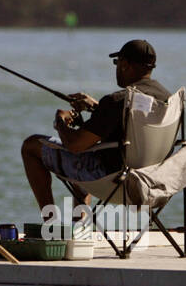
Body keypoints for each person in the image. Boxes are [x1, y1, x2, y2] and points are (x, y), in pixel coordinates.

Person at [20, 38, 168, 212]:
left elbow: (75, 145)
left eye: (117, 62)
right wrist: (98, 108)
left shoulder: (117, 101)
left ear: (125, 64)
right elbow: (133, 122)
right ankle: (79, 224)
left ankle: (50, 222)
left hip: (113, 180)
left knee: (31, 146)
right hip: (152, 180)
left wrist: (60, 121)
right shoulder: (165, 98)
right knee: (89, 149)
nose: (117, 67)